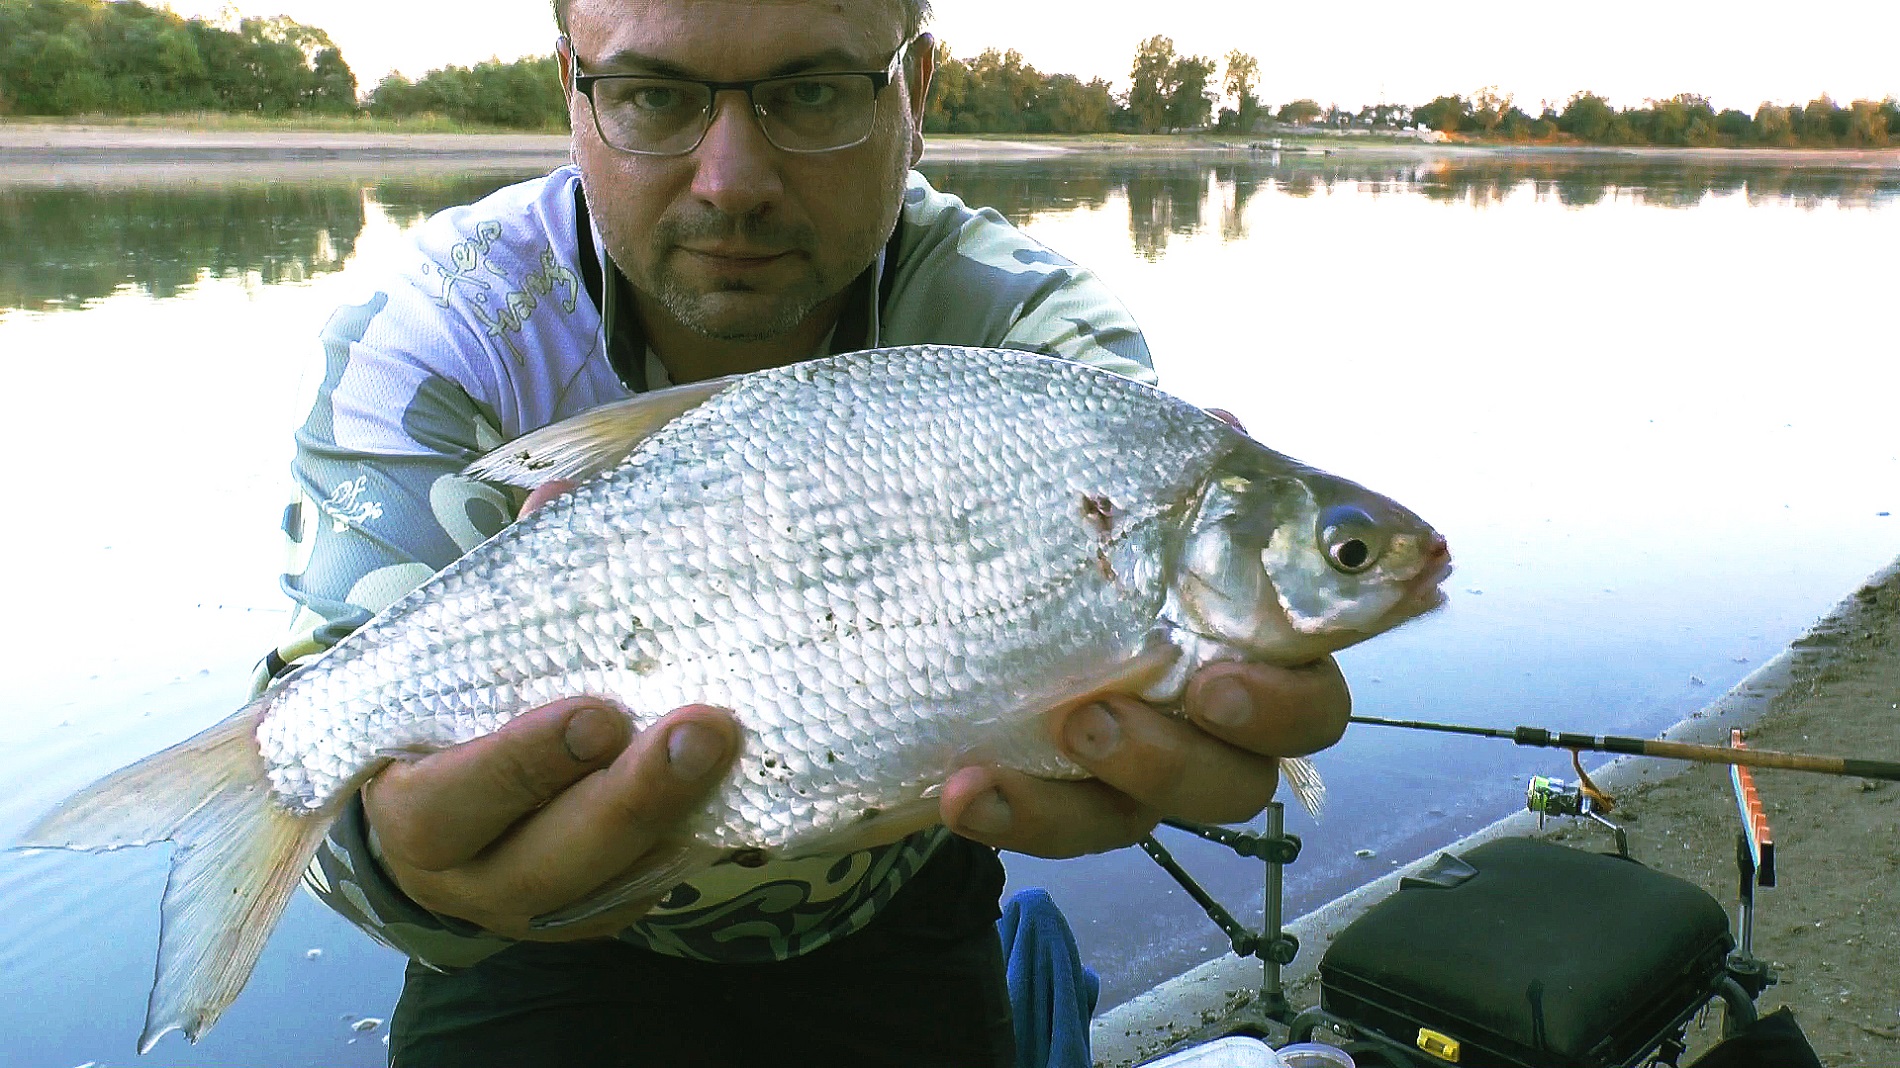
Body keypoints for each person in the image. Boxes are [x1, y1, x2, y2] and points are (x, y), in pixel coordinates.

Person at [265, 0, 1352, 1064]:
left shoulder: (1029, 340)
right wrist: (407, 870)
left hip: (897, 904)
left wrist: (1203, 699)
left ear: (913, 92)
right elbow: (327, 767)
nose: (731, 180)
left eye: (815, 90)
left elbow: (1165, 614)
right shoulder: (438, 337)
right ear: (574, 93)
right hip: (529, 945)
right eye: (650, 95)